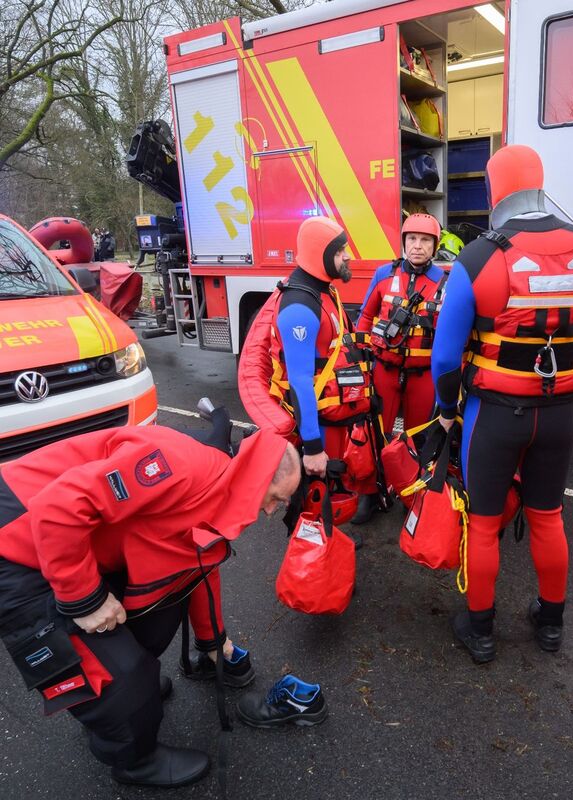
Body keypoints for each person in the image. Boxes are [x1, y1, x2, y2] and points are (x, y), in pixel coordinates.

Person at [0, 424, 301, 787]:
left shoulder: (220, 487)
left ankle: (120, 707)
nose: (271, 512)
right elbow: (57, 508)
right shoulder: (177, 466)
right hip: (18, 541)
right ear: (256, 478)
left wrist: (214, 642)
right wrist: (83, 598)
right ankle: (134, 759)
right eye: (275, 497)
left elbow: (198, 567)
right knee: (118, 677)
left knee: (158, 616)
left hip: (69, 542)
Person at [431, 144, 573, 663]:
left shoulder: (478, 255)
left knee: (483, 521)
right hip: (560, 414)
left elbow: (444, 358)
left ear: (493, 188)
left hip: (496, 413)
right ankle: (551, 625)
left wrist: (446, 408)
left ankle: (480, 631)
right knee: (548, 516)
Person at [353, 213, 448, 523]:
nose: (417, 246)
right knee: (377, 434)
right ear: (404, 243)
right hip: (385, 370)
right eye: (412, 239)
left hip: (423, 376)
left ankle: (411, 494)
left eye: (424, 240)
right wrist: (362, 357)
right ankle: (371, 493)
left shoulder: (445, 282)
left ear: (434, 246)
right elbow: (365, 318)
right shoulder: (383, 274)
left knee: (417, 438)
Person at [268, 216, 374, 477]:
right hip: (318, 427)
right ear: (320, 254)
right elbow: (300, 380)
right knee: (318, 505)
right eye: (339, 251)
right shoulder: (299, 307)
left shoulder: (323, 291)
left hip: (335, 417)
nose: (348, 256)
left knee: (339, 498)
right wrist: (313, 448)